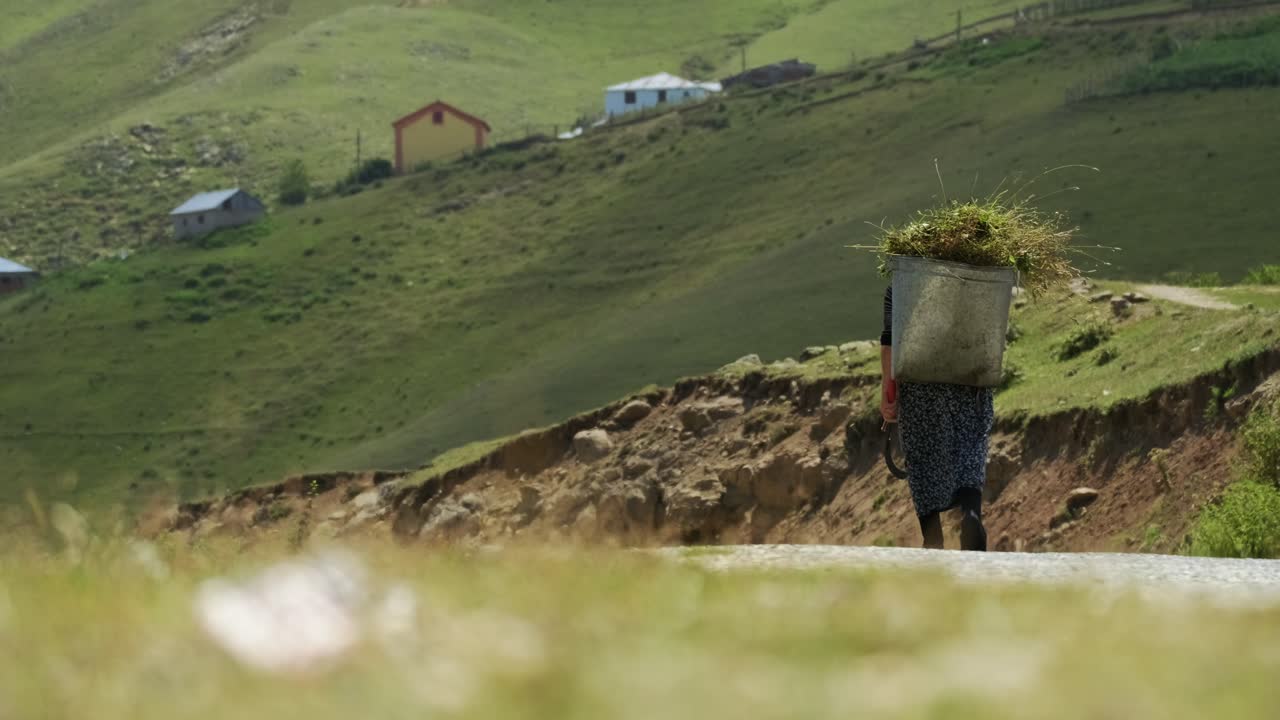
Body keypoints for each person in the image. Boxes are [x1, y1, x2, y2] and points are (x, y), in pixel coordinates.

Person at [880, 286, 992, 551]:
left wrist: (888, 390)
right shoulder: (976, 273)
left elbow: (890, 339)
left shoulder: (903, 281)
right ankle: (971, 515)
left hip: (920, 384)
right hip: (969, 378)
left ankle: (933, 538)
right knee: (970, 449)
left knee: (922, 457)